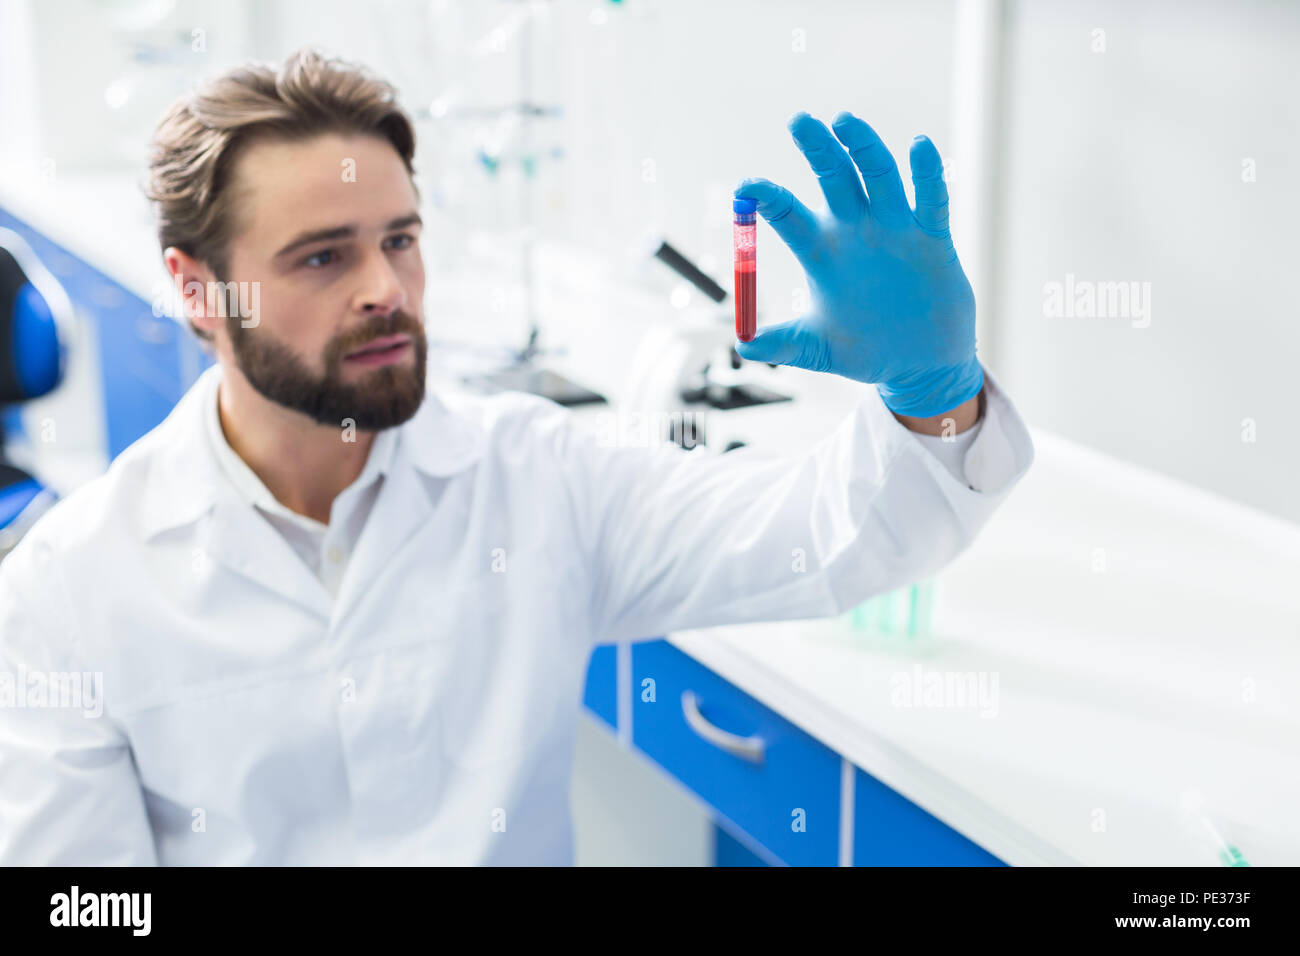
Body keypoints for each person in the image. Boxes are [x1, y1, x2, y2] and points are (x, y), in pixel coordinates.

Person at [0, 49, 1032, 865]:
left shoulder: (535, 482)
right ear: (196, 290)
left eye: (399, 239)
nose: (385, 289)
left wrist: (930, 394)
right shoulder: (69, 587)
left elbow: (822, 541)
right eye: (323, 255)